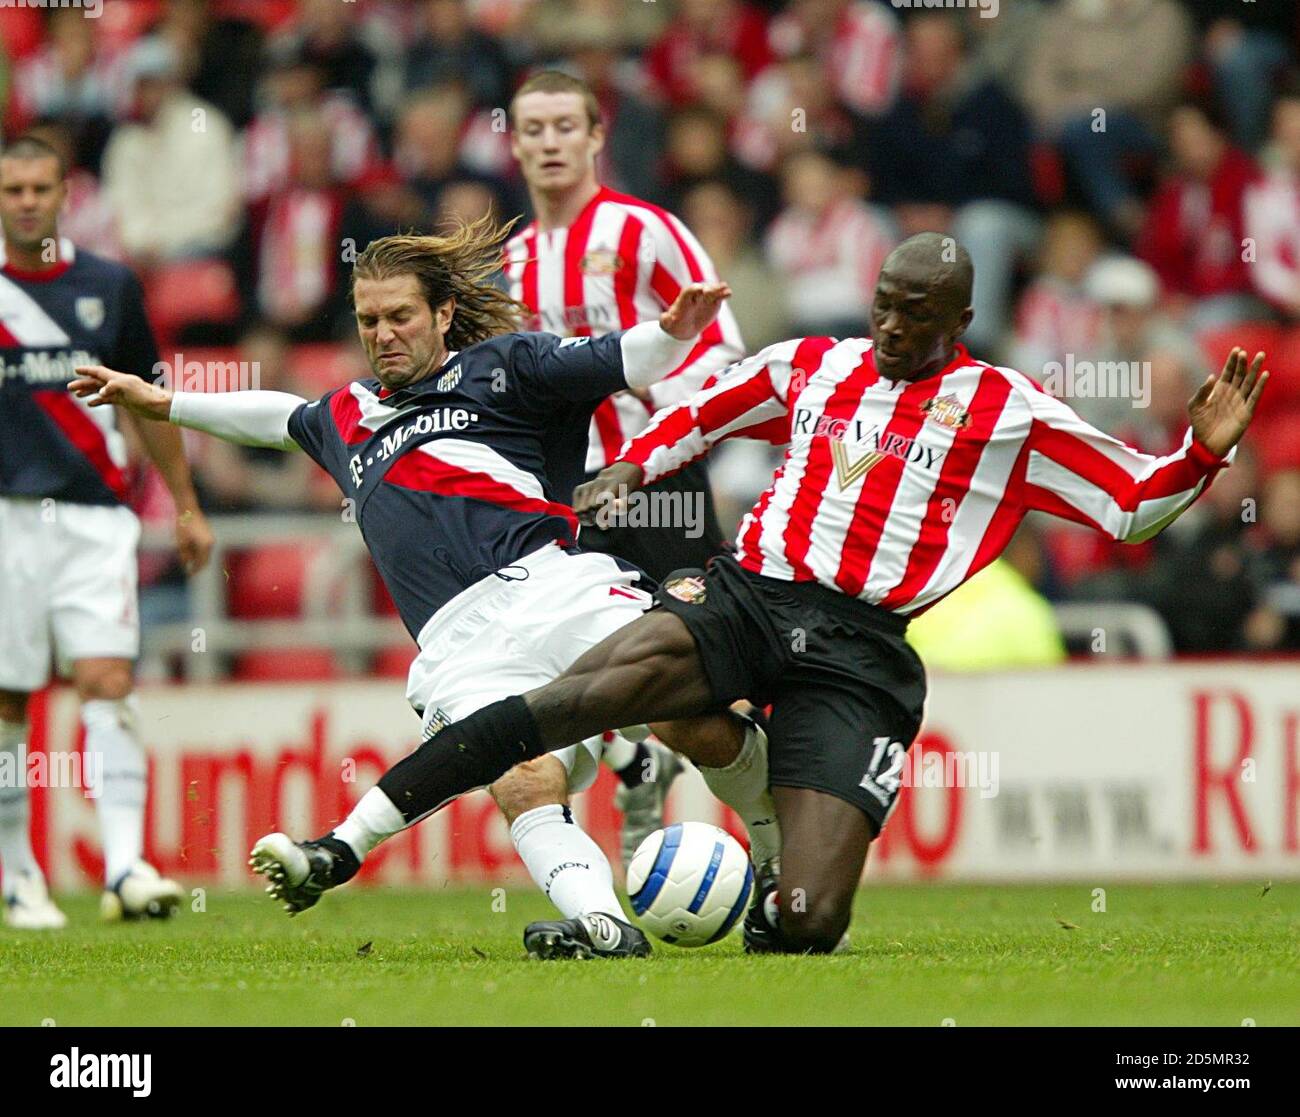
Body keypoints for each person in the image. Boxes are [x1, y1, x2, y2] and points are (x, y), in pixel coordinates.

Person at [313, 232, 1268, 954]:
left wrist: (1203, 452)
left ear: (959, 325)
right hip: (749, 597)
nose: (891, 327)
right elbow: (704, 409)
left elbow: (1130, 505)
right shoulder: (816, 364)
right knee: (569, 699)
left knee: (810, 921)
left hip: (860, 650)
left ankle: (767, 886)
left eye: (916, 316)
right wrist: (631, 471)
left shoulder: (1008, 410)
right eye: (884, 305)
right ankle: (346, 846)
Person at [70, 219, 779, 960]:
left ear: (442, 313)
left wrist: (671, 333)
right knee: (520, 779)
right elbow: (275, 416)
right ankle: (604, 926)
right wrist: (162, 402)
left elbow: (620, 357)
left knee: (687, 716)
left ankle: (778, 862)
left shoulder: (506, 367)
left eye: (400, 315)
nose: (383, 333)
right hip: (456, 639)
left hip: (554, 583)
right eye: (368, 320)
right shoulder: (346, 416)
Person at [503, 70, 747, 866]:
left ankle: (760, 851)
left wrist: (652, 430)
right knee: (568, 665)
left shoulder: (647, 233)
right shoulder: (507, 264)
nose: (548, 142)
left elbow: (724, 347)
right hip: (562, 498)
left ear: (597, 136)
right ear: (513, 142)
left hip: (656, 486)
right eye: (532, 128)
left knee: (702, 674)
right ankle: (632, 763)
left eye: (564, 126)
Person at [0, 134, 214, 928]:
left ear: (65, 195)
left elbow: (145, 402)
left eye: (38, 188)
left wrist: (185, 502)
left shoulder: (109, 287)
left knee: (107, 680)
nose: (26, 201)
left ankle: (125, 864)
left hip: (95, 516)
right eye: (12, 188)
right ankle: (20, 874)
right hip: (4, 521)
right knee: (9, 698)